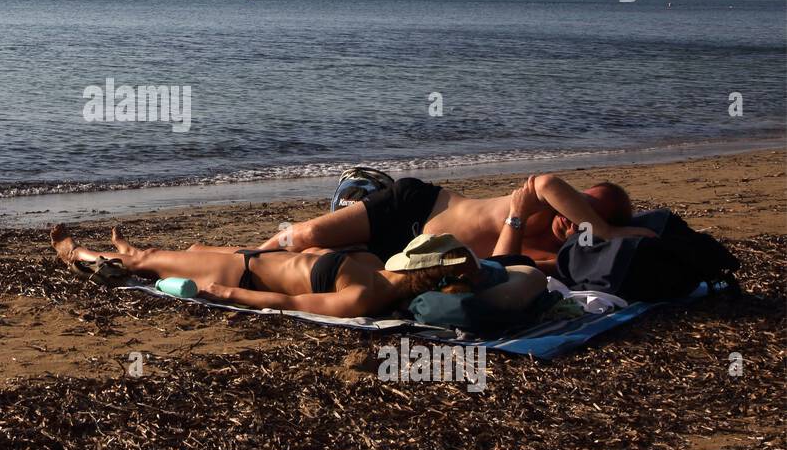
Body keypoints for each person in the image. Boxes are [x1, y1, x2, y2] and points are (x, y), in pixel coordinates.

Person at [50, 224, 482, 319]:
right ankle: (132, 249)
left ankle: (76, 254)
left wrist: (227, 294)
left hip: (242, 273)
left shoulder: (365, 297)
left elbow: (289, 302)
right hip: (252, 255)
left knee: (145, 264)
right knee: (188, 246)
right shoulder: (378, 270)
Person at [256, 173, 655, 274]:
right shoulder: (544, 203)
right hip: (417, 208)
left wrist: (609, 237)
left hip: (409, 257)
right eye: (581, 204)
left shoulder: (560, 256)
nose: (573, 218)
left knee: (319, 258)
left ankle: (248, 267)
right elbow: (549, 182)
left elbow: (503, 269)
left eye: (592, 218)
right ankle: (251, 253)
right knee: (306, 234)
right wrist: (608, 231)